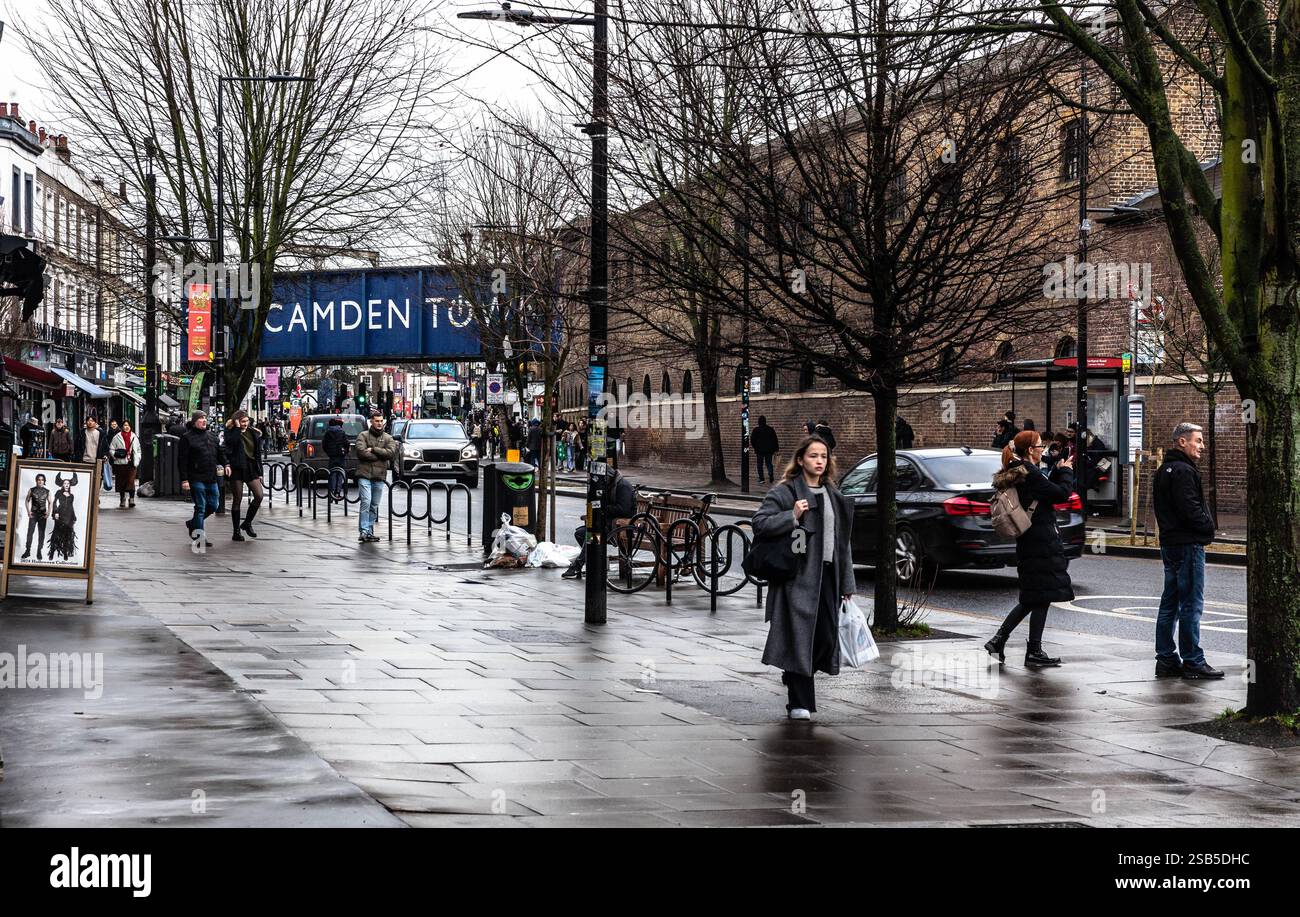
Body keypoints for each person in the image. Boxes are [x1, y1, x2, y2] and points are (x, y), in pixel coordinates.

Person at [752, 436, 856, 720]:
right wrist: (792, 516)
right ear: (800, 460)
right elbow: (759, 523)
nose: (819, 461)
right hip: (795, 580)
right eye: (813, 456)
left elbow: (842, 545)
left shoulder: (834, 495)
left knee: (823, 639)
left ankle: (793, 674)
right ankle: (800, 703)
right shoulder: (786, 492)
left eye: (824, 456)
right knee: (800, 641)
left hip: (827, 579)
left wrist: (847, 583)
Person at [983, 430, 1075, 667]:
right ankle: (1021, 647)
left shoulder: (1022, 473)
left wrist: (1056, 470)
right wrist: (1066, 471)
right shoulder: (1030, 474)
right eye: (1038, 445)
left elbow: (1045, 489)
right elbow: (1060, 494)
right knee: (1037, 597)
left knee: (1037, 597)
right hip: (1039, 542)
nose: (1042, 449)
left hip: (1032, 541)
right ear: (1029, 450)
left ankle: (1010, 643)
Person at [1152, 422, 1222, 679]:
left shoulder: (1164, 470)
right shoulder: (1183, 471)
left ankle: (1166, 659)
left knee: (1169, 602)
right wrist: (1208, 528)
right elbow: (1190, 508)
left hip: (1170, 543)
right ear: (1182, 441)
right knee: (1191, 603)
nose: (1202, 445)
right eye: (1198, 440)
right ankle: (1193, 660)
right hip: (1188, 544)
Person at [562, 468, 638, 579]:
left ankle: (578, 565)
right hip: (607, 524)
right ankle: (596, 564)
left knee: (593, 536)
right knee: (580, 533)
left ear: (608, 477)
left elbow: (623, 510)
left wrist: (603, 508)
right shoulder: (610, 486)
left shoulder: (623, 486)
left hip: (622, 527)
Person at [178, 411, 226, 548]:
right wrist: (184, 479)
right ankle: (199, 538)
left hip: (211, 477)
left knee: (214, 505)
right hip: (196, 477)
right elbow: (182, 460)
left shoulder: (212, 436)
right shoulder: (187, 438)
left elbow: (220, 454)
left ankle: (193, 523)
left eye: (205, 418)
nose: (204, 420)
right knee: (200, 507)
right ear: (194, 422)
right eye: (200, 418)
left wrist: (226, 464)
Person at [222, 410, 265, 541]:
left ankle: (247, 522)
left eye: (246, 421)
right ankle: (236, 532)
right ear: (236, 421)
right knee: (238, 498)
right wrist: (236, 428)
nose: (245, 424)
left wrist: (260, 472)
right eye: (242, 421)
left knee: (259, 495)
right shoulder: (230, 432)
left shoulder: (253, 433)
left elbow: (258, 454)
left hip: (251, 467)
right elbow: (230, 444)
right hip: (237, 468)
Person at [354, 410, 396, 543]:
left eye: (381, 421)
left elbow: (391, 454)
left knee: (374, 505)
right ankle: (364, 531)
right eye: (376, 421)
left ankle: (370, 531)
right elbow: (361, 453)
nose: (379, 423)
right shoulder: (363, 435)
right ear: (371, 421)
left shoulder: (388, 438)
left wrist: (373, 450)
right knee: (366, 502)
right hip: (364, 474)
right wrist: (380, 456)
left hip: (379, 477)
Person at [109, 420, 142, 508]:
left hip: (132, 463)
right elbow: (111, 449)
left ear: (130, 427)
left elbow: (138, 450)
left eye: (128, 425)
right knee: (121, 482)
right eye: (124, 425)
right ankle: (122, 499)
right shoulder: (117, 437)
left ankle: (131, 499)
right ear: (122, 427)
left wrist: (137, 459)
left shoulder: (134, 437)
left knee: (131, 481)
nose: (126, 427)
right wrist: (115, 455)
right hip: (120, 463)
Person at [48, 472, 79, 562]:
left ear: (70, 485)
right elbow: (54, 503)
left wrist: (74, 516)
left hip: (69, 517)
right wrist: (55, 513)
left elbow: (71, 506)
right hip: (60, 515)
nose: (66, 485)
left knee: (66, 536)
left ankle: (65, 553)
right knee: (56, 535)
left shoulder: (71, 496)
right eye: (65, 483)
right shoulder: (58, 493)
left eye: (68, 483)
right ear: (62, 484)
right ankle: (52, 552)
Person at [21, 473, 50, 561]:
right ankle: (28, 550)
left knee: (41, 534)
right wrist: (28, 511)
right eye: (39, 480)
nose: (40, 481)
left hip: (42, 515)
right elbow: (27, 500)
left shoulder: (47, 491)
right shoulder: (31, 490)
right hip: (33, 514)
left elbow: (50, 502)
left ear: (44, 481)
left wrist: (48, 512)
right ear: (36, 480)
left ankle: (39, 551)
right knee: (30, 533)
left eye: (42, 480)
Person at [321, 416, 350, 503]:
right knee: (340, 474)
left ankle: (331, 492)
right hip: (341, 456)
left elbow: (324, 445)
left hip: (332, 456)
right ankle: (338, 492)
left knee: (332, 474)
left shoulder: (327, 433)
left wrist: (329, 452)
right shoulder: (341, 432)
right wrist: (346, 451)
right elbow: (346, 443)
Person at [751, 415, 779, 484]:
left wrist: (755, 447)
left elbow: (752, 440)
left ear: (758, 422)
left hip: (759, 451)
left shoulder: (756, 430)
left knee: (760, 464)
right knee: (769, 463)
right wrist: (776, 449)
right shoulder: (770, 429)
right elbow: (775, 439)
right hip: (769, 451)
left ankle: (761, 479)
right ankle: (771, 476)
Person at [98, 419, 118, 492]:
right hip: (110, 450)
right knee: (111, 464)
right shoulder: (109, 432)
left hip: (116, 451)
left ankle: (116, 481)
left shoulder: (118, 432)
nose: (113, 426)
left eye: (115, 424)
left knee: (115, 465)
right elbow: (107, 441)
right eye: (112, 424)